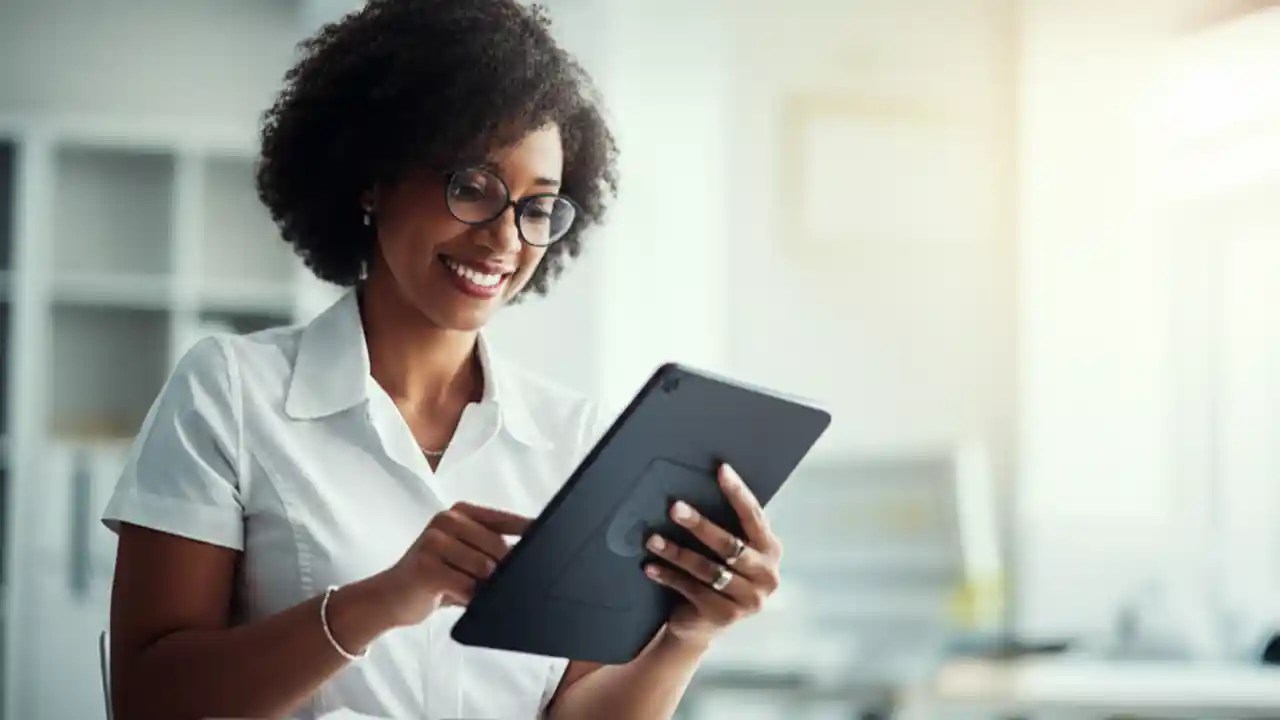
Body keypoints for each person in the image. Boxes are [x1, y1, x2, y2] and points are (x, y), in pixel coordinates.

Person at [102, 1, 784, 718]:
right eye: (473, 188)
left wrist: (688, 632)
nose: (504, 240)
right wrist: (382, 602)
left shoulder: (576, 440)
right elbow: (149, 700)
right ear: (373, 179)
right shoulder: (232, 394)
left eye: (537, 206)